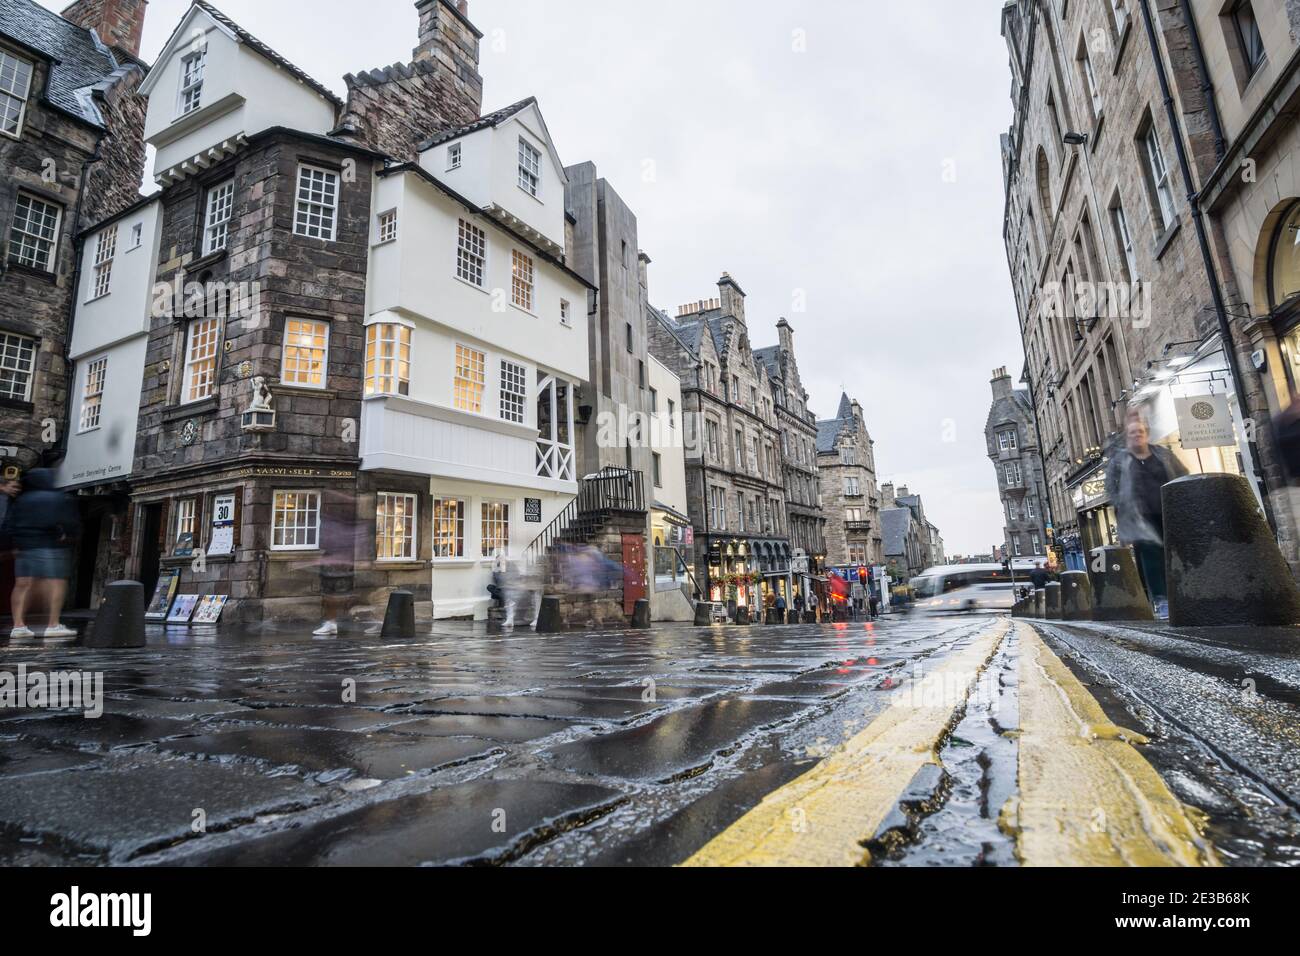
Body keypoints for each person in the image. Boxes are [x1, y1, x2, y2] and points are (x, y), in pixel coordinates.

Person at [1105, 413, 1188, 618]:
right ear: (1127, 437)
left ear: (1147, 434)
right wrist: (1122, 506)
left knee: (1173, 553)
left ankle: (1180, 594)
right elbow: (1111, 488)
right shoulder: (1120, 461)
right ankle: (1161, 600)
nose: (1137, 435)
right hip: (1139, 517)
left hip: (1168, 511)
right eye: (1133, 433)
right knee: (1151, 554)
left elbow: (1183, 474)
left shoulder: (1163, 454)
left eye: (1140, 432)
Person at [3, 469, 79, 639]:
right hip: (49, 545)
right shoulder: (58, 498)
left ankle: (18, 626)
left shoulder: (20, 501)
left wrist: (14, 544)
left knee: (22, 584)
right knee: (56, 583)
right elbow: (69, 522)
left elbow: (8, 525)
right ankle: (52, 624)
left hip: (24, 547)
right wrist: (68, 535)